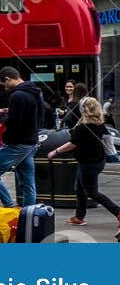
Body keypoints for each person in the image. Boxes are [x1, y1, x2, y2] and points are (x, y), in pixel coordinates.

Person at [49, 96, 120, 232]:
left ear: (84, 109)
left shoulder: (83, 127)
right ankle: (79, 217)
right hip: (97, 161)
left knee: (92, 192)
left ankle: (117, 211)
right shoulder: (100, 124)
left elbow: (72, 144)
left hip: (89, 164)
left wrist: (55, 151)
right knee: (80, 188)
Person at [0, 66, 43, 208]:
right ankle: (28, 214)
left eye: (5, 85)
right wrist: (10, 111)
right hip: (31, 142)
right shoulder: (36, 91)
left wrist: (1, 116)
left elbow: (13, 122)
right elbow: (34, 115)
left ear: (8, 79)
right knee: (28, 184)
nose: (5, 89)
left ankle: (9, 206)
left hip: (16, 143)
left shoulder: (17, 95)